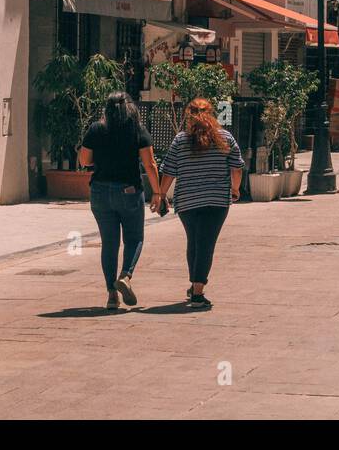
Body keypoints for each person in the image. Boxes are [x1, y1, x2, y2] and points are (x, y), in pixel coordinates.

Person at [151, 98, 245, 308]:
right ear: (211, 114)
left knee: (194, 241)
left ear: (188, 115)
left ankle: (195, 283)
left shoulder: (180, 140)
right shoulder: (225, 138)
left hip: (187, 201)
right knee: (206, 244)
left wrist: (161, 194)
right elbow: (236, 167)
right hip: (216, 201)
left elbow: (169, 170)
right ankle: (198, 292)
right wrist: (235, 188)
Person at [79, 92, 161, 310]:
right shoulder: (137, 130)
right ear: (130, 109)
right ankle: (125, 275)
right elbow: (150, 164)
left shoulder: (97, 129)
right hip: (129, 191)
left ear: (107, 109)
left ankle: (112, 295)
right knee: (134, 238)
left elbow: (84, 160)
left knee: (109, 243)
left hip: (100, 192)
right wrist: (158, 192)